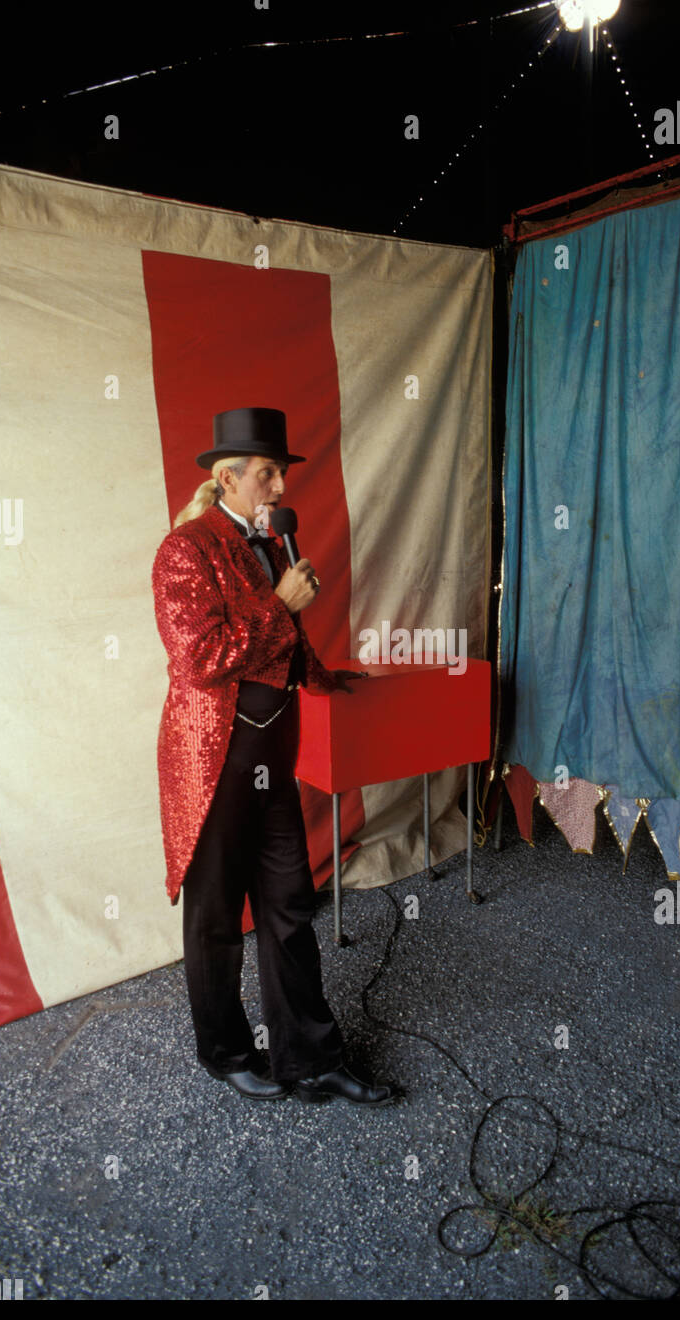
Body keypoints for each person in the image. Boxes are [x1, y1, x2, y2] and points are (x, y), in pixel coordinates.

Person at [151, 407, 400, 1107]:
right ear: (226, 478)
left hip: (271, 754)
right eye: (267, 473)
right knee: (216, 917)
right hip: (213, 762)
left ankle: (312, 1057)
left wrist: (330, 679)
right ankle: (226, 1052)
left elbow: (282, 648)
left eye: (281, 472)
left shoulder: (271, 546)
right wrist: (279, 604)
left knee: (290, 905)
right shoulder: (185, 552)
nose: (279, 485)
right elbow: (201, 660)